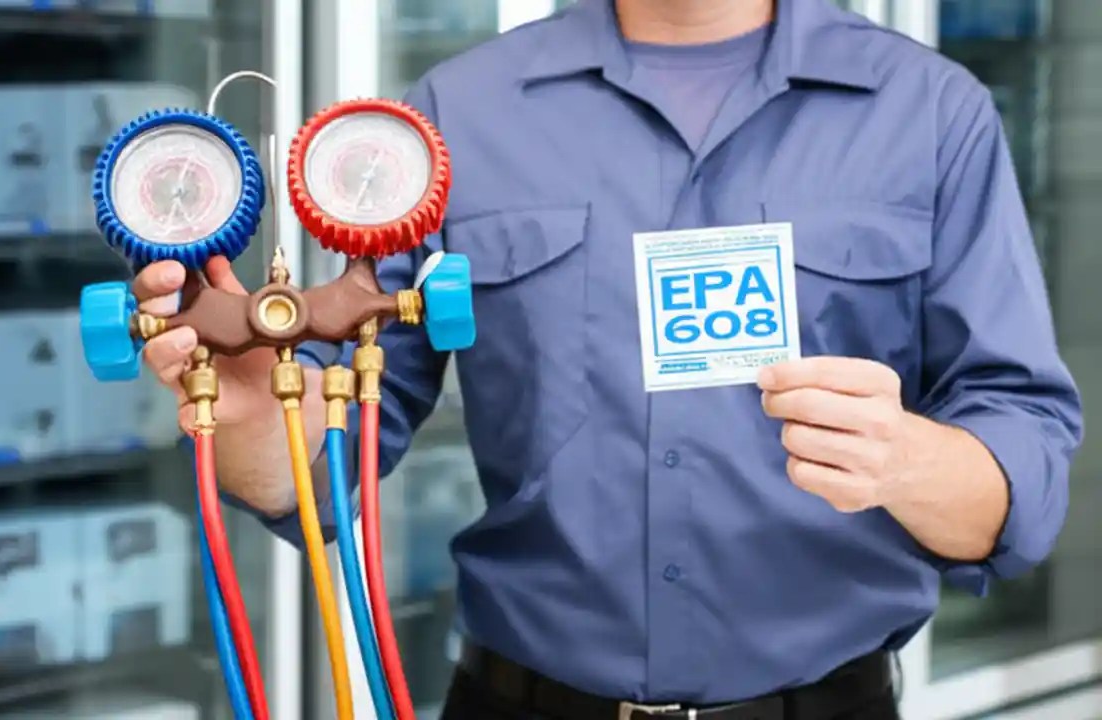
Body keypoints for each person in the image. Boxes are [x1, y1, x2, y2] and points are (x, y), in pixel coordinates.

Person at [134, 0, 1083, 717]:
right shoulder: (455, 117)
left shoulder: (928, 114)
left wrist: (908, 460)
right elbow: (326, 469)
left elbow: (1026, 464)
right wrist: (261, 417)